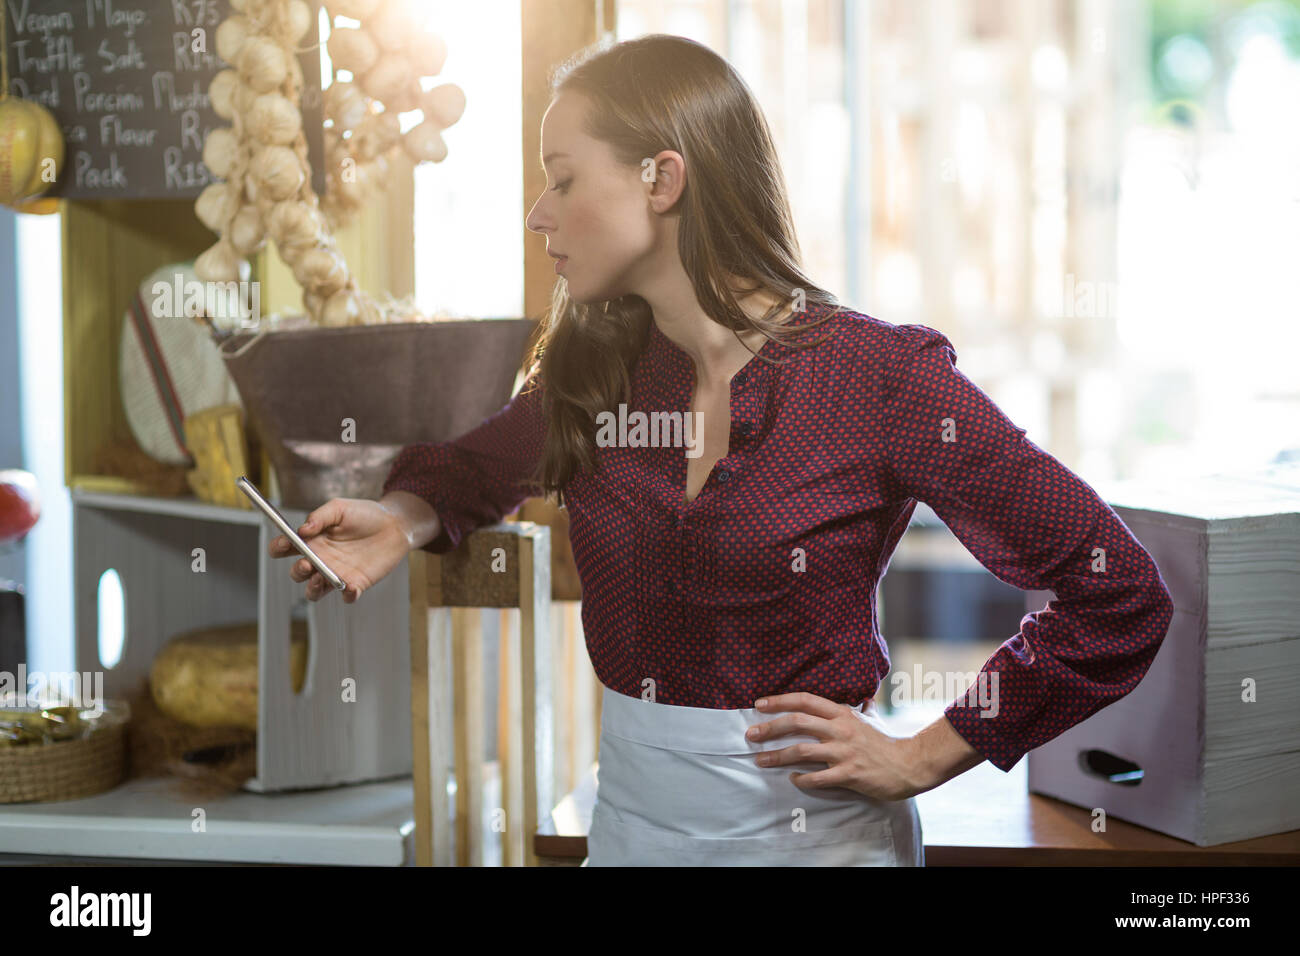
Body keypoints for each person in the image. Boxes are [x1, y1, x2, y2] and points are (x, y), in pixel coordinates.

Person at [269, 34, 1175, 866]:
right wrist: (396, 519)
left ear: (662, 180)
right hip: (630, 833)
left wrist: (929, 754)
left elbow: (1118, 594)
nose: (539, 215)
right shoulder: (598, 371)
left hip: (819, 842)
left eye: (563, 179)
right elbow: (476, 470)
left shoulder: (880, 377)